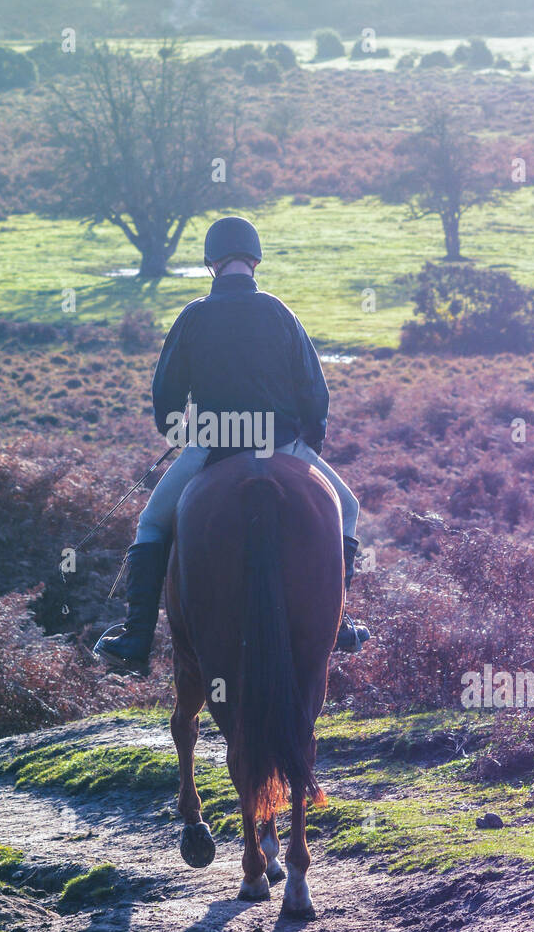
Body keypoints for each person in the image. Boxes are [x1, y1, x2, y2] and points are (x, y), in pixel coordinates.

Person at [94, 214, 370, 673]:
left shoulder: (194, 315)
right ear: (254, 261)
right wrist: (309, 447)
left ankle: (136, 637)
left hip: (211, 447)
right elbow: (315, 392)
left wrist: (175, 430)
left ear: (211, 264)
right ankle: (338, 623)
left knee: (151, 524)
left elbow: (165, 392)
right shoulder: (281, 313)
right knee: (349, 509)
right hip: (280, 444)